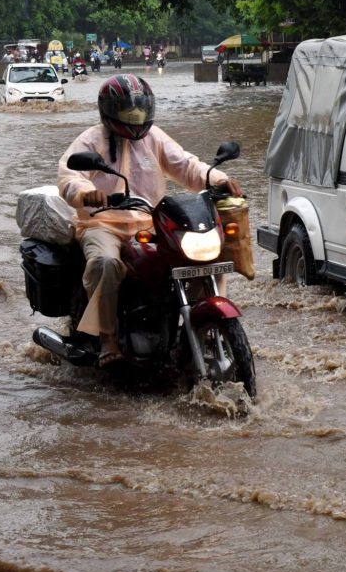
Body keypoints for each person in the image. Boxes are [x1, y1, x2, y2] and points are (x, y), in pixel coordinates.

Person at [57, 74, 243, 367]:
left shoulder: (155, 137)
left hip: (149, 222)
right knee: (105, 263)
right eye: (129, 110)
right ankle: (107, 339)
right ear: (110, 110)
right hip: (102, 224)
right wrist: (86, 192)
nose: (136, 116)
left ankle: (201, 326)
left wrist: (218, 178)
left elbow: (186, 165)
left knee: (205, 258)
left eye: (141, 109)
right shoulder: (90, 141)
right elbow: (69, 177)